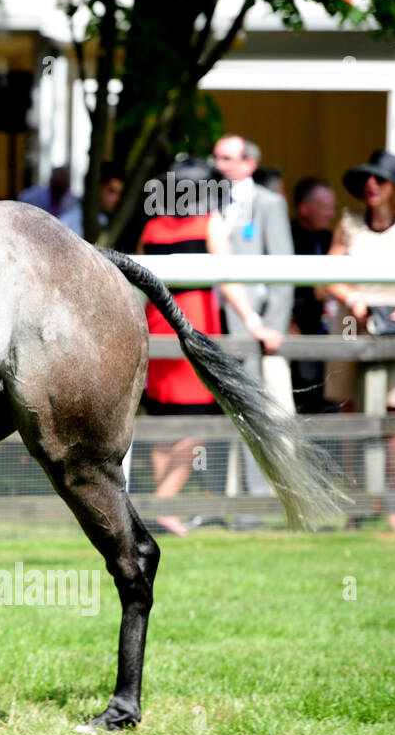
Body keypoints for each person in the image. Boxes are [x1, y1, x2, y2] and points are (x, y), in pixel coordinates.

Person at [137, 158, 284, 536]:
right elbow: (228, 278)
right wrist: (252, 320)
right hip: (193, 323)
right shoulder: (209, 224)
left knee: (165, 421)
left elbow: (138, 281)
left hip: (156, 323)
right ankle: (162, 506)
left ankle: (161, 509)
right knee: (200, 422)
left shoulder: (152, 227)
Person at [322, 150, 395, 533]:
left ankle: (393, 505)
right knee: (353, 417)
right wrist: (353, 297)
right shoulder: (349, 224)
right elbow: (328, 276)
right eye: (368, 179)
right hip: (354, 326)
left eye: (381, 180)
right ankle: (356, 506)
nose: (372, 186)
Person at [212, 134, 295, 497]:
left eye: (228, 158)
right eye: (217, 158)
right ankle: (224, 497)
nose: (220, 165)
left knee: (254, 410)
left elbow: (283, 272)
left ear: (249, 163)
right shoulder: (208, 202)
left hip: (254, 326)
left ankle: (256, 499)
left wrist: (271, 329)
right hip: (213, 321)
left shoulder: (269, 204)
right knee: (222, 411)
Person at [288, 177, 336, 415]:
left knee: (331, 396)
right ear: (305, 208)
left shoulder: (330, 239)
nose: (331, 213)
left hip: (331, 331)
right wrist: (288, 320)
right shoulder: (288, 239)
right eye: (326, 207)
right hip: (299, 333)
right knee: (304, 399)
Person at [57, 162, 124, 236]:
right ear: (96, 188)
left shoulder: (104, 219)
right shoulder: (67, 223)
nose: (117, 199)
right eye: (111, 191)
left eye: (119, 194)